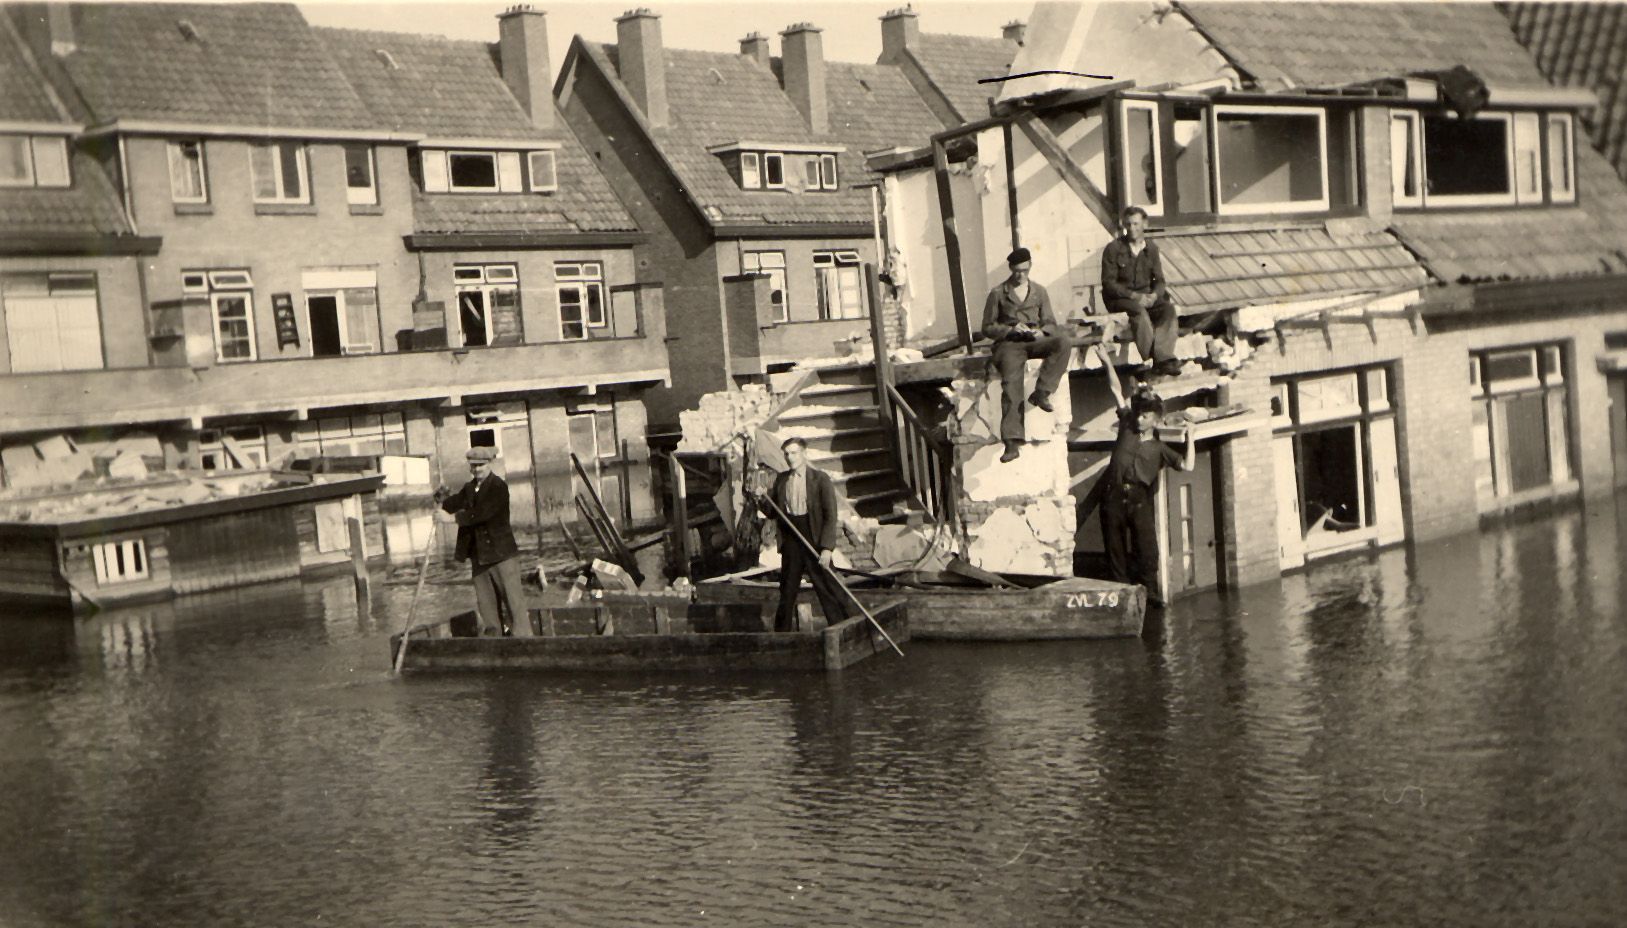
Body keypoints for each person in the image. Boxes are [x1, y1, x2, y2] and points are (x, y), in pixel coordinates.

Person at [1100, 390, 1194, 607]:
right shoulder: (1127, 427)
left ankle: (1149, 593)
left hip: (1138, 497)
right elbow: (1115, 390)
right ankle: (1121, 596)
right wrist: (1105, 360)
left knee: (1147, 546)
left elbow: (1188, 466)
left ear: (1156, 420)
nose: (1139, 419)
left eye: (1145, 416)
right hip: (1113, 495)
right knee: (1115, 547)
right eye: (1139, 414)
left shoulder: (1159, 448)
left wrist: (1192, 437)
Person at [982, 246, 1073, 463]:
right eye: (1016, 271)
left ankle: (1042, 392)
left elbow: (1050, 321)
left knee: (1063, 342)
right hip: (1010, 344)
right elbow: (986, 327)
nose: (1020, 275)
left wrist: (1041, 331)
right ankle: (1012, 442)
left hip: (1034, 340)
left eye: (1024, 270)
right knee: (1011, 383)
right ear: (1011, 269)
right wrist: (1010, 330)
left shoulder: (1039, 291)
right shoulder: (997, 293)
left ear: (1030, 267)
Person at [435, 446, 525, 637]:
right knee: (487, 608)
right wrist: (441, 500)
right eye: (473, 466)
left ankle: (524, 641)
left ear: (489, 464)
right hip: (480, 558)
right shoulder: (469, 488)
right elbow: (452, 504)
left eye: (480, 465)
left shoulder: (499, 487)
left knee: (514, 606)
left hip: (502, 556)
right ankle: (494, 645)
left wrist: (452, 519)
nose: (476, 469)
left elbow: (482, 513)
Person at [764, 437, 849, 632]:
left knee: (827, 587)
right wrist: (760, 497)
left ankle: (844, 629)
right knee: (787, 590)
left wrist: (827, 549)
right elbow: (772, 511)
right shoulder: (782, 479)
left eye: (794, 453)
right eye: (786, 454)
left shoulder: (820, 479)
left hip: (814, 539)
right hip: (792, 539)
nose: (790, 457)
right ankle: (781, 636)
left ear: (804, 454)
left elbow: (830, 516)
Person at [1102, 206, 1180, 379]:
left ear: (1145, 224)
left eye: (1136, 224)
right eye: (1128, 225)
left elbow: (1159, 280)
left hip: (1146, 296)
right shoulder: (1113, 249)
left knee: (1168, 310)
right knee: (1139, 312)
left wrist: (1154, 295)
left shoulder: (1151, 249)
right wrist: (1135, 297)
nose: (1132, 229)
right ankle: (1153, 359)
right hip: (1120, 298)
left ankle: (1163, 357)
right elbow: (1108, 284)